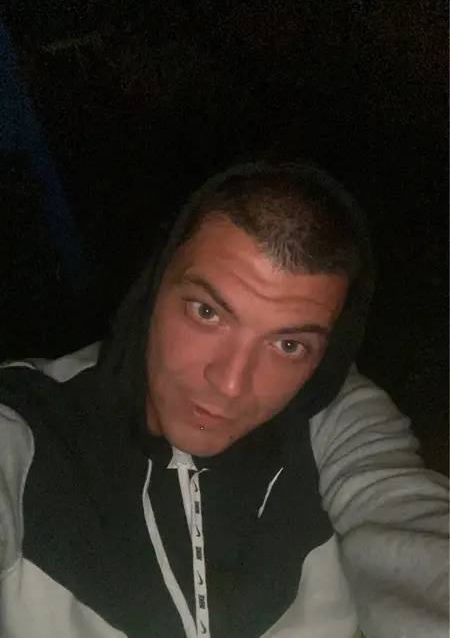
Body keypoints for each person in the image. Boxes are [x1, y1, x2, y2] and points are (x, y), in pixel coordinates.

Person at [0, 161, 448, 638]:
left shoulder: (334, 417)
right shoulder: (28, 415)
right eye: (207, 312)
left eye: (288, 345)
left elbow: (407, 522)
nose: (231, 383)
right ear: (153, 286)